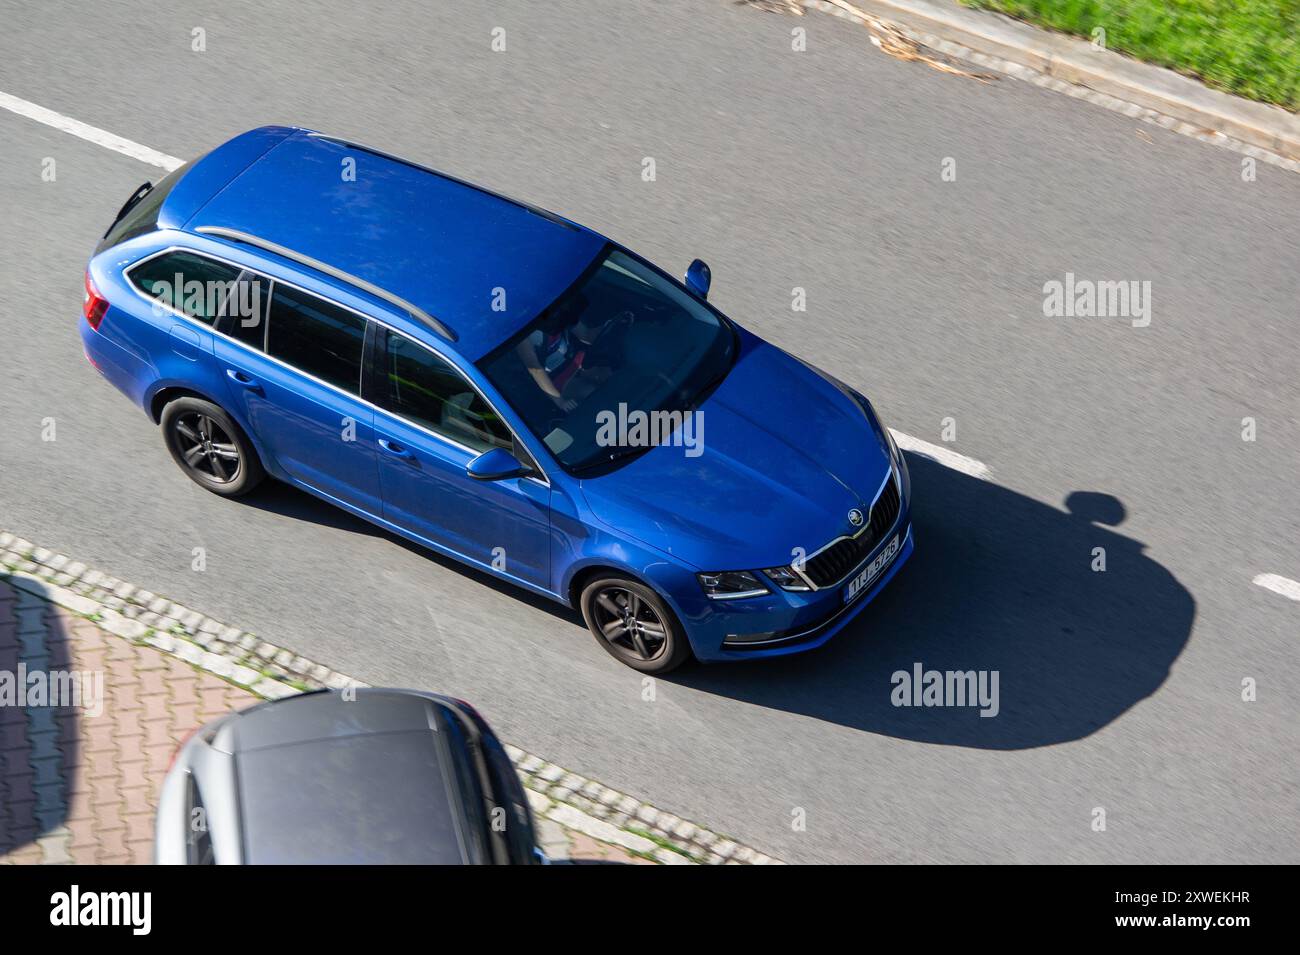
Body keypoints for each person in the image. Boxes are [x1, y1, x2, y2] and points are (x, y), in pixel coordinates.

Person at [515, 297, 627, 411]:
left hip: (577, 360)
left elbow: (586, 335)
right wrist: (560, 401)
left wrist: (612, 324)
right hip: (558, 376)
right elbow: (534, 367)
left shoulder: (559, 311)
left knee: (612, 376)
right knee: (591, 392)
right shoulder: (523, 333)